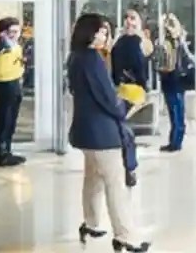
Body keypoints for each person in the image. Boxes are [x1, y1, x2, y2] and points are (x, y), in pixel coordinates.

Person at [67, 14, 148, 252]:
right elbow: (107, 98)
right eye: (101, 31)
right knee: (115, 184)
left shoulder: (75, 57)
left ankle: (90, 223)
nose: (105, 36)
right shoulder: (92, 59)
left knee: (92, 179)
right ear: (89, 32)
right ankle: (126, 236)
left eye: (106, 32)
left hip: (84, 131)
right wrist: (126, 106)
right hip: (101, 133)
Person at [111, 8, 149, 185]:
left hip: (133, 91)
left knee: (125, 131)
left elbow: (143, 69)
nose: (129, 21)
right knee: (124, 132)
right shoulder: (119, 42)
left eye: (133, 18)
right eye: (126, 18)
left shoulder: (141, 42)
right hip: (120, 90)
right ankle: (128, 167)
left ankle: (129, 167)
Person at [0, 16, 26, 167]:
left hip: (15, 83)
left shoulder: (16, 46)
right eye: (12, 32)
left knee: (11, 119)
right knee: (4, 118)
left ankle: (7, 150)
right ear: (3, 33)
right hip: (4, 85)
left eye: (18, 31)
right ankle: (0, 153)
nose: (16, 35)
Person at [157, 13, 193, 153]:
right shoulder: (170, 41)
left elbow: (171, 63)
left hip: (174, 78)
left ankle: (175, 142)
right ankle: (175, 141)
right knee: (176, 111)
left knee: (176, 111)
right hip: (172, 78)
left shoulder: (177, 42)